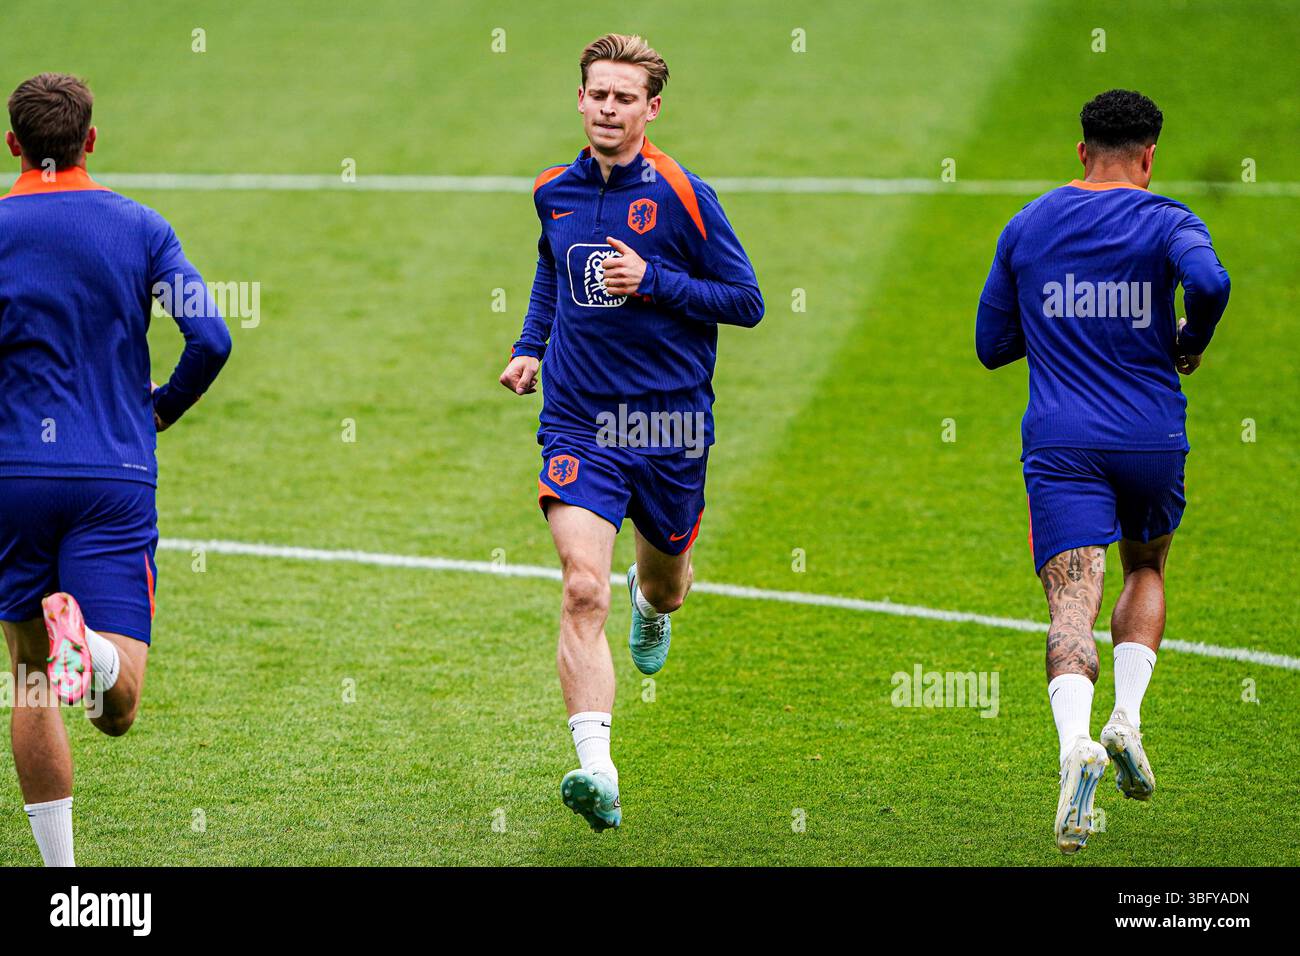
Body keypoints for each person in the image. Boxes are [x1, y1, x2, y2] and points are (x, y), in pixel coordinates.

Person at [499, 34, 763, 831]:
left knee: (663, 584)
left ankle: (651, 606)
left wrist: (653, 282)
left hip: (670, 423)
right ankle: (597, 769)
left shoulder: (685, 195)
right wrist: (529, 346)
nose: (608, 109)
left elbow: (745, 300)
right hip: (581, 421)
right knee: (582, 586)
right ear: (579, 99)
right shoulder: (553, 190)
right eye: (597, 94)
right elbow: (551, 265)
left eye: (625, 98)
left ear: (653, 108)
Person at [976, 89, 1230, 853]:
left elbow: (992, 345)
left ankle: (1073, 748)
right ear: (1150, 155)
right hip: (1152, 436)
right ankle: (1127, 719)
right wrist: (1190, 336)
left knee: (1070, 605)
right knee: (1145, 568)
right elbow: (1210, 285)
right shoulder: (1171, 220)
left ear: (1081, 150)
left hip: (1063, 445)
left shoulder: (1028, 224)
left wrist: (1062, 322)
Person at [0, 73, 232, 865]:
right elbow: (214, 340)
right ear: (90, 140)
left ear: (13, 146)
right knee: (117, 706)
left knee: (31, 682)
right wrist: (158, 408)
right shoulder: (139, 227)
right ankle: (93, 653)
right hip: (113, 473)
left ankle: (60, 882)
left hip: (14, 478)